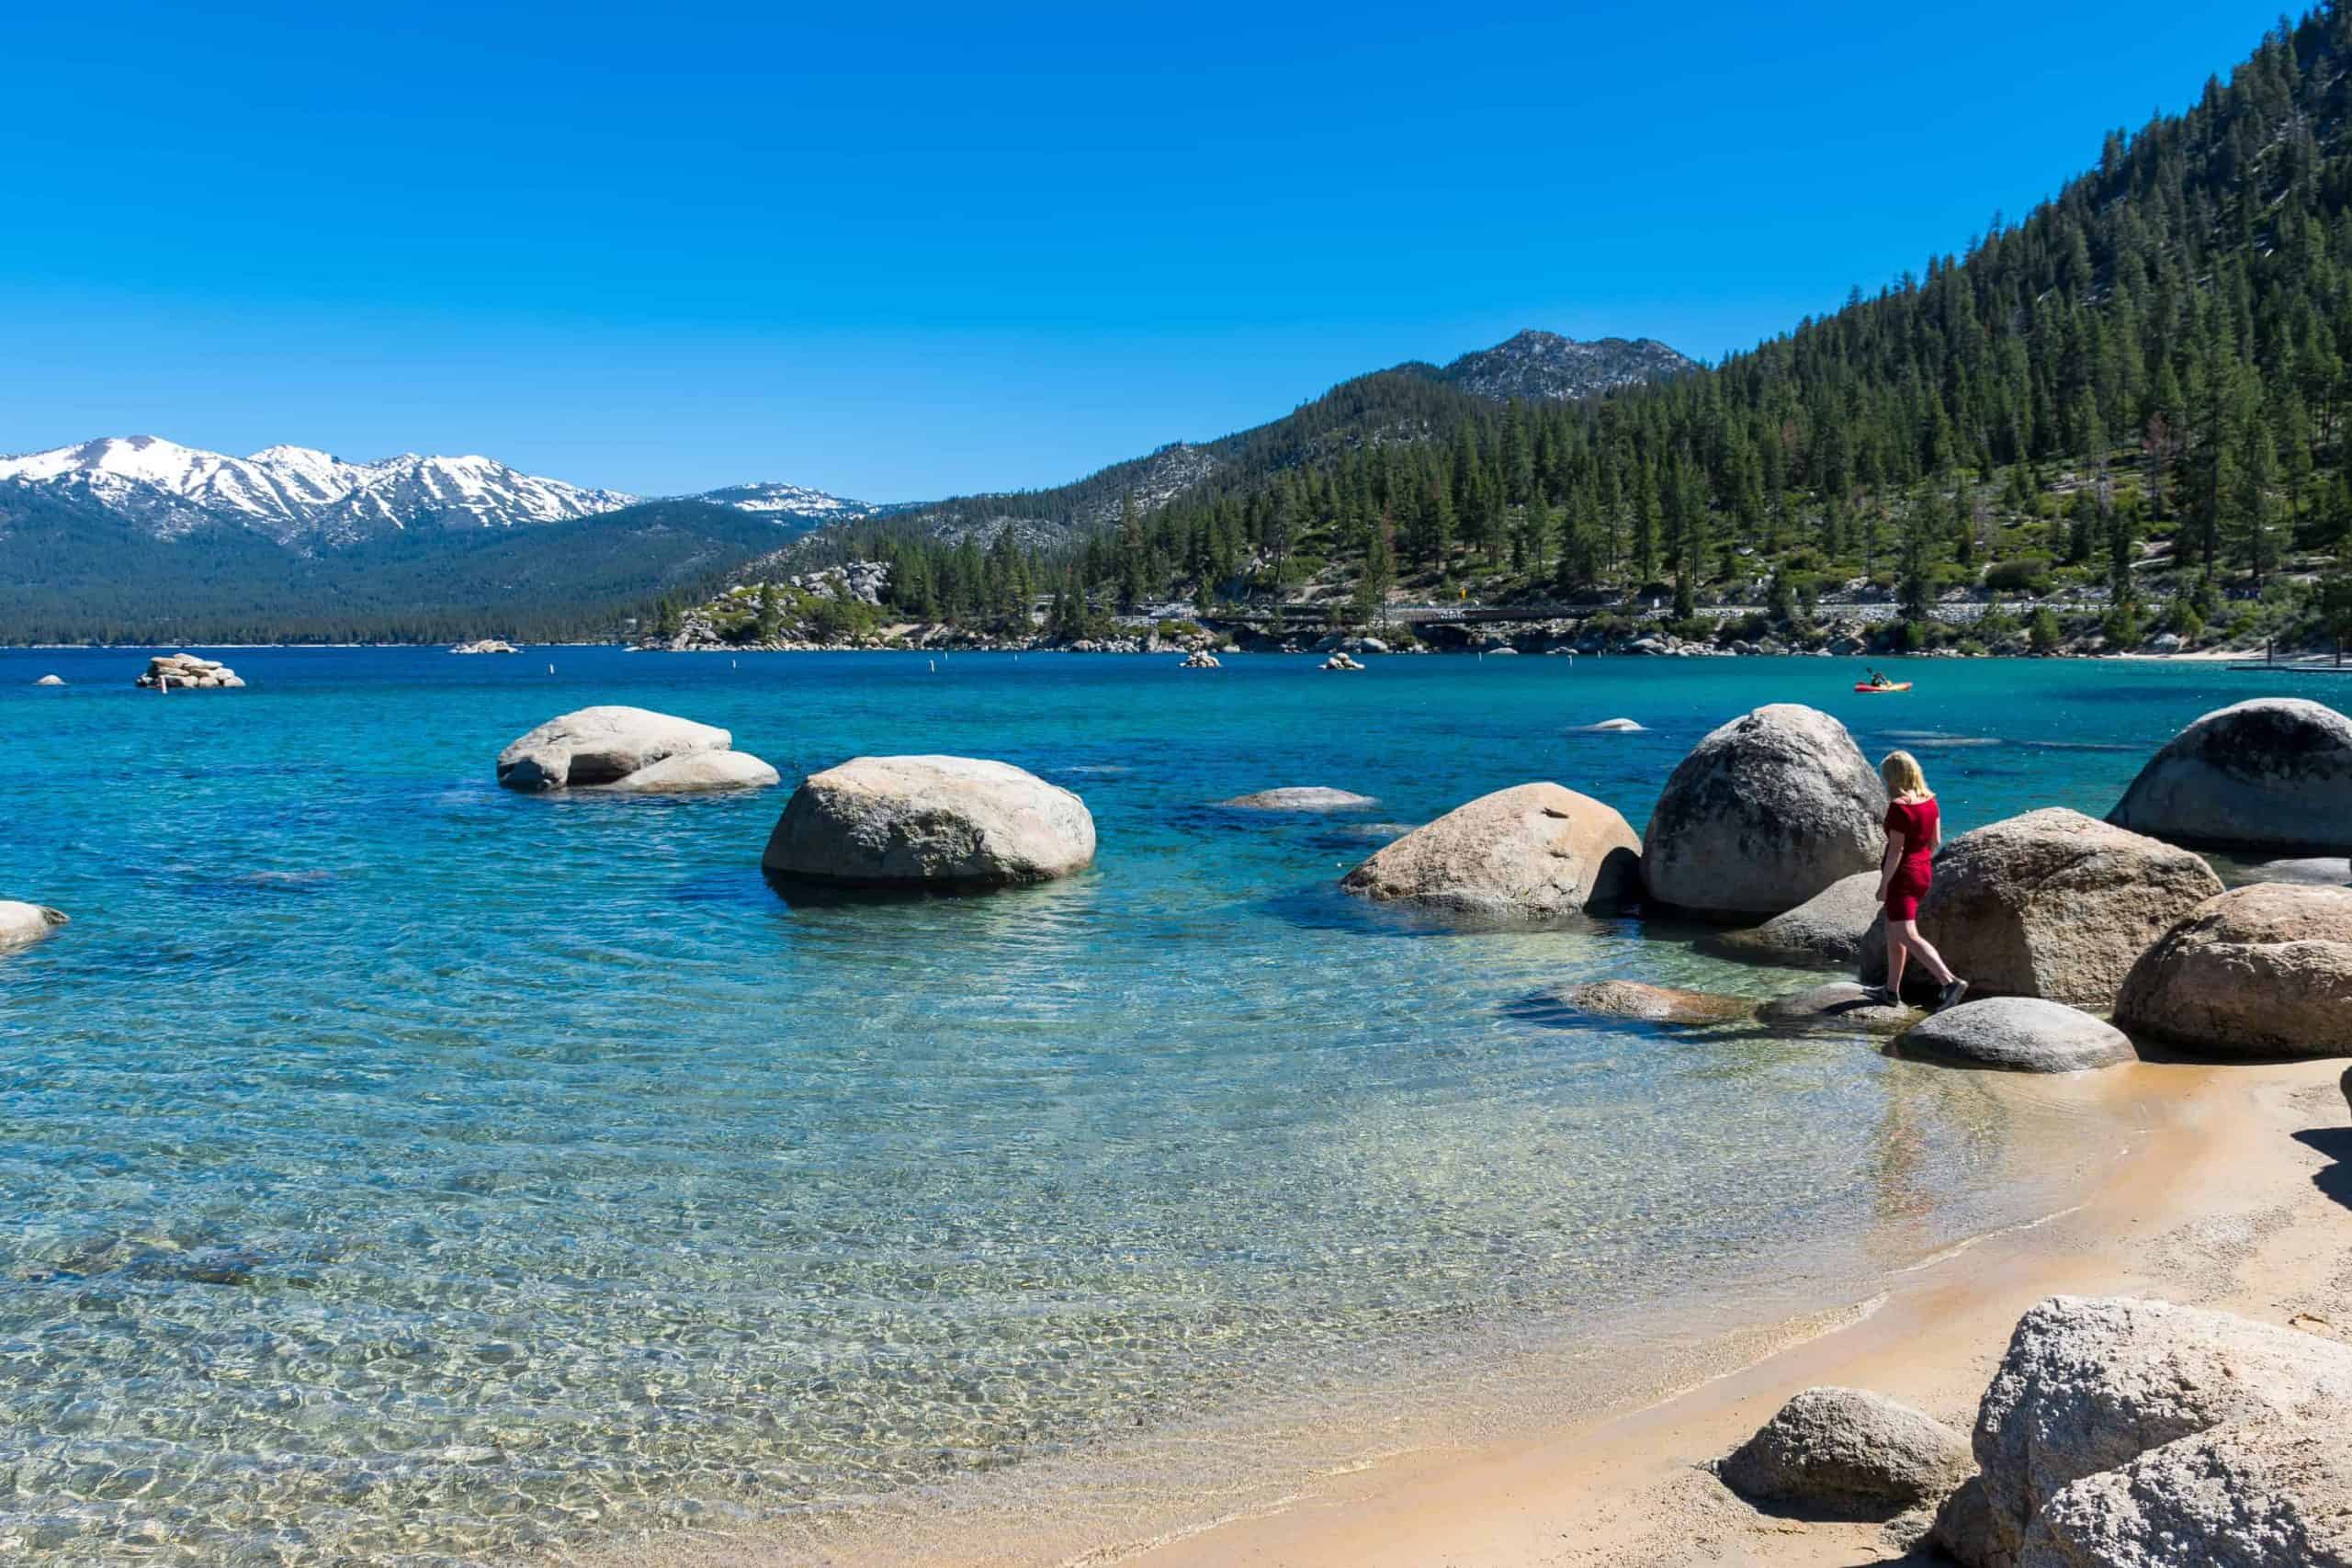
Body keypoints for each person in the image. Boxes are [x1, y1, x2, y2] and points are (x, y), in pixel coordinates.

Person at [1871, 750, 1968, 1012]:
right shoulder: (1930, 801)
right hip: (1922, 871)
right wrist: (1920, 861)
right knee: (1894, 932)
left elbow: (1896, 851)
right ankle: (1891, 991)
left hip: (1903, 875)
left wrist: (1884, 884)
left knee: (1907, 933)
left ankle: (1949, 982)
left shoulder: (1899, 808)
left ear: (1892, 778)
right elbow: (1935, 841)